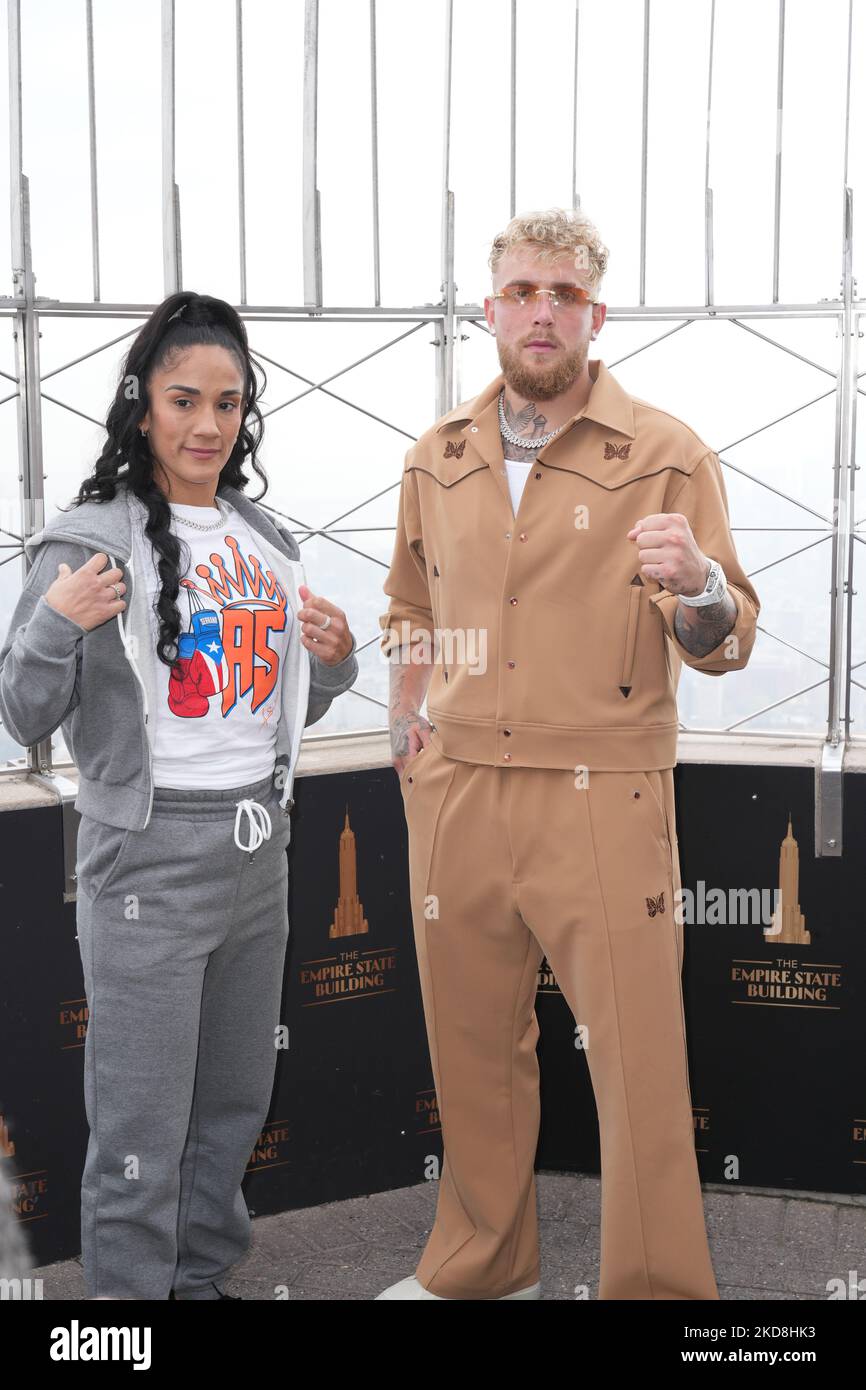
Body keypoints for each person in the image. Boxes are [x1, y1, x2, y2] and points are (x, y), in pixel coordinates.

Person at [376, 208, 760, 1301]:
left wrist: (694, 583)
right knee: (469, 1050)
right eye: (520, 290)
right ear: (488, 308)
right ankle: (482, 1268)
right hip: (456, 794)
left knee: (638, 1063)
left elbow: (725, 640)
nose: (539, 309)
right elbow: (407, 605)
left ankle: (654, 1292)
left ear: (595, 314)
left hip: (602, 792)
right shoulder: (435, 453)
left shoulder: (668, 452)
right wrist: (411, 721)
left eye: (562, 294)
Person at [0, 292, 358, 1300]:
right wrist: (53, 624)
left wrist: (330, 665)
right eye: (183, 399)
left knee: (232, 1105)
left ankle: (197, 1285)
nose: (207, 425)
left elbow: (277, 705)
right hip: (148, 855)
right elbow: (22, 713)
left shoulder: (263, 536)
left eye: (228, 403)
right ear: (142, 405)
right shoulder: (85, 541)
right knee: (140, 1126)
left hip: (260, 844)